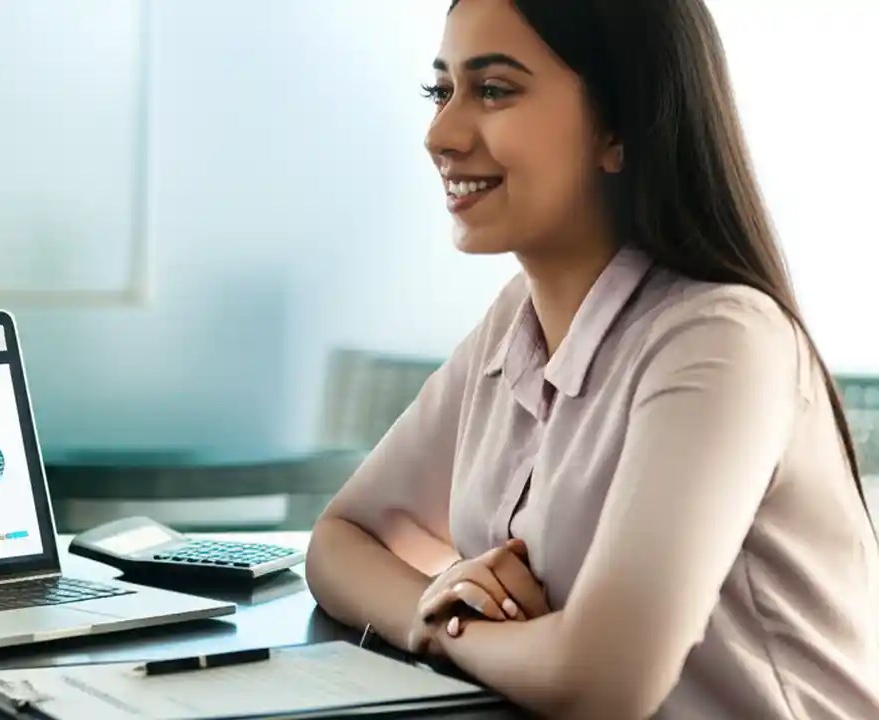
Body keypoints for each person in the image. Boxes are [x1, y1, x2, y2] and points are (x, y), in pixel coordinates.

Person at [304, 1, 879, 717]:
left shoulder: (721, 342)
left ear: (620, 128)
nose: (440, 134)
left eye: (493, 90)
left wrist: (455, 631)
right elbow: (339, 542)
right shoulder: (517, 318)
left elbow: (605, 683)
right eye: (440, 90)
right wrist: (437, 607)